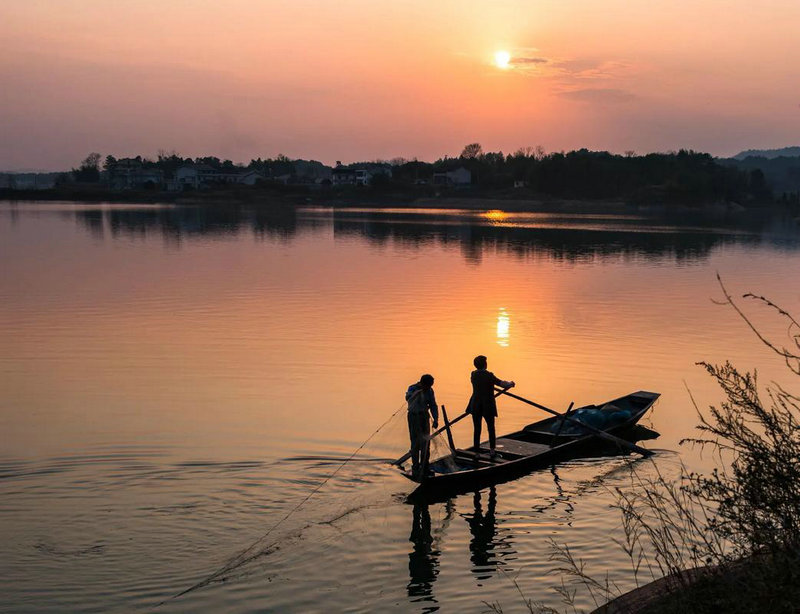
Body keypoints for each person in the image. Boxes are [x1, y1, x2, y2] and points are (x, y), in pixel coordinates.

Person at [467, 355, 514, 458]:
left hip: (475, 405)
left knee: (477, 429)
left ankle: (476, 453)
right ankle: (492, 451)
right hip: (487, 405)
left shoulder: (473, 374)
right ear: (485, 364)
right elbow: (502, 384)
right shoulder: (489, 375)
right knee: (491, 428)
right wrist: (511, 383)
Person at [405, 374, 439, 477]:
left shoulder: (430, 390)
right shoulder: (412, 388)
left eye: (430, 386)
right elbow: (408, 398)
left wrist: (436, 419)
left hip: (424, 417)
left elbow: (433, 405)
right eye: (427, 386)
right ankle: (415, 467)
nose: (429, 388)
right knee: (415, 442)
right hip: (414, 417)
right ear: (422, 383)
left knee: (426, 442)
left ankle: (424, 467)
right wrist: (417, 393)